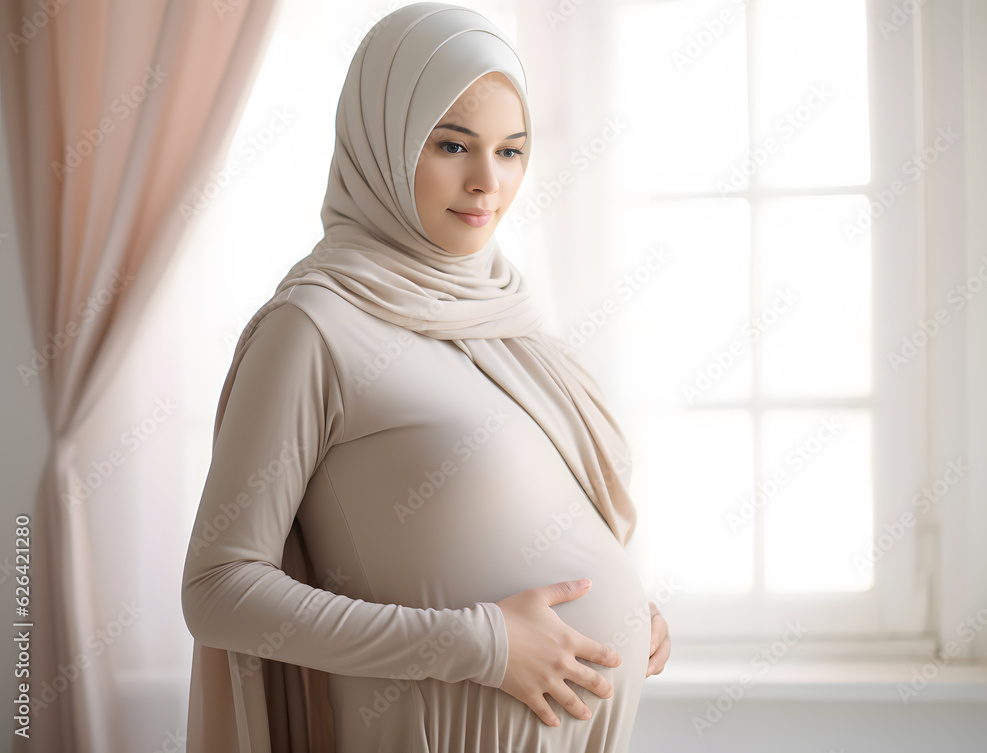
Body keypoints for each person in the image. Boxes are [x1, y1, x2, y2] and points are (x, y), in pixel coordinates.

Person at [180, 3, 670, 751]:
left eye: (511, 151)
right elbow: (218, 590)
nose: (486, 182)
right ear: (381, 140)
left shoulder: (505, 314)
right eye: (452, 144)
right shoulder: (313, 327)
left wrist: (627, 613)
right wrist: (481, 644)